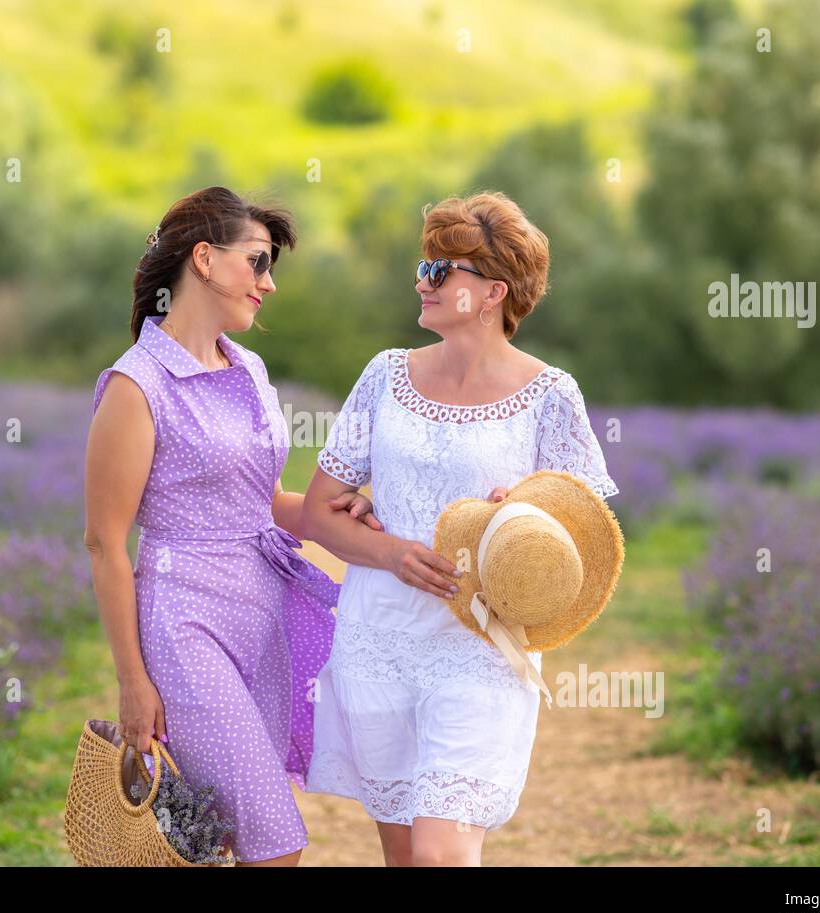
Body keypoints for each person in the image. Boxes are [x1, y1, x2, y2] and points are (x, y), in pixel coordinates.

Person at [301, 190, 620, 866]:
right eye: (424, 265)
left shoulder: (551, 394)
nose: (423, 281)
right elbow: (319, 510)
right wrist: (388, 549)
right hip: (377, 638)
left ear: (495, 290)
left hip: (479, 646)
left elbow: (582, 531)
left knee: (442, 850)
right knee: (405, 856)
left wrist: (529, 505)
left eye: (443, 271)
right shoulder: (385, 376)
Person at [83, 186, 381, 866]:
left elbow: (266, 497)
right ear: (206, 260)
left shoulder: (249, 368)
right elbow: (105, 541)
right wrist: (132, 680)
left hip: (263, 615)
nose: (268, 284)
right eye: (258, 263)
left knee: (224, 841)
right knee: (275, 842)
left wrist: (343, 509)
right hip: (185, 623)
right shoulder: (137, 386)